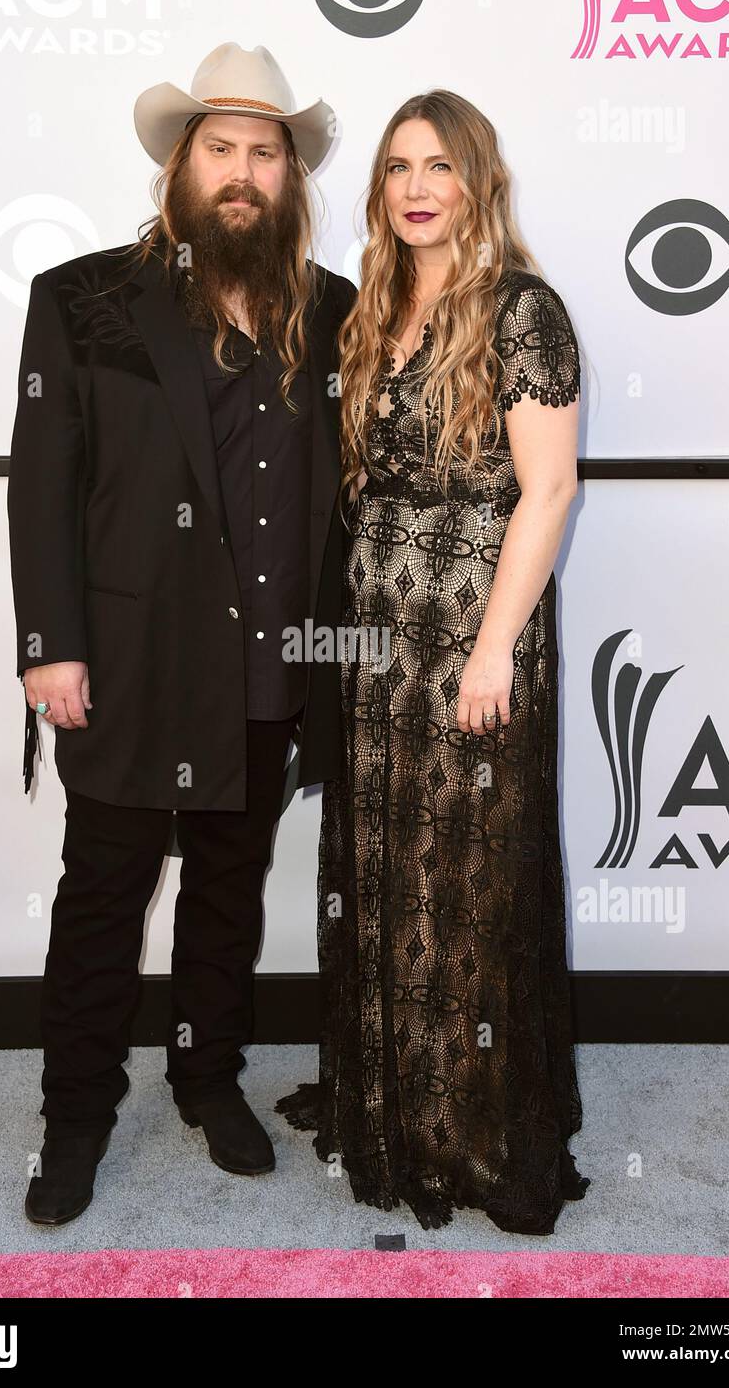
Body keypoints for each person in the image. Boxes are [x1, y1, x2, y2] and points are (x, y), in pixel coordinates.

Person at [7, 42, 355, 1225]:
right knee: (101, 895)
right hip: (126, 662)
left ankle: (207, 1077)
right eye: (222, 148)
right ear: (179, 164)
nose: (244, 171)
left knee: (227, 888)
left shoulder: (335, 314)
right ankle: (75, 1116)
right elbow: (41, 485)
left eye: (265, 151)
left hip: (268, 669)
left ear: (290, 176)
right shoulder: (82, 298)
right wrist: (49, 642)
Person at [276, 90, 591, 1233]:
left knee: (468, 873)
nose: (415, 186)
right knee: (387, 860)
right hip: (375, 639)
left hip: (471, 630)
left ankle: (469, 1128)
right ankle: (397, 1103)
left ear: (476, 183)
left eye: (438, 166)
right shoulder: (371, 310)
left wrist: (494, 646)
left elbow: (546, 489)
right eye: (398, 166)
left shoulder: (520, 311)